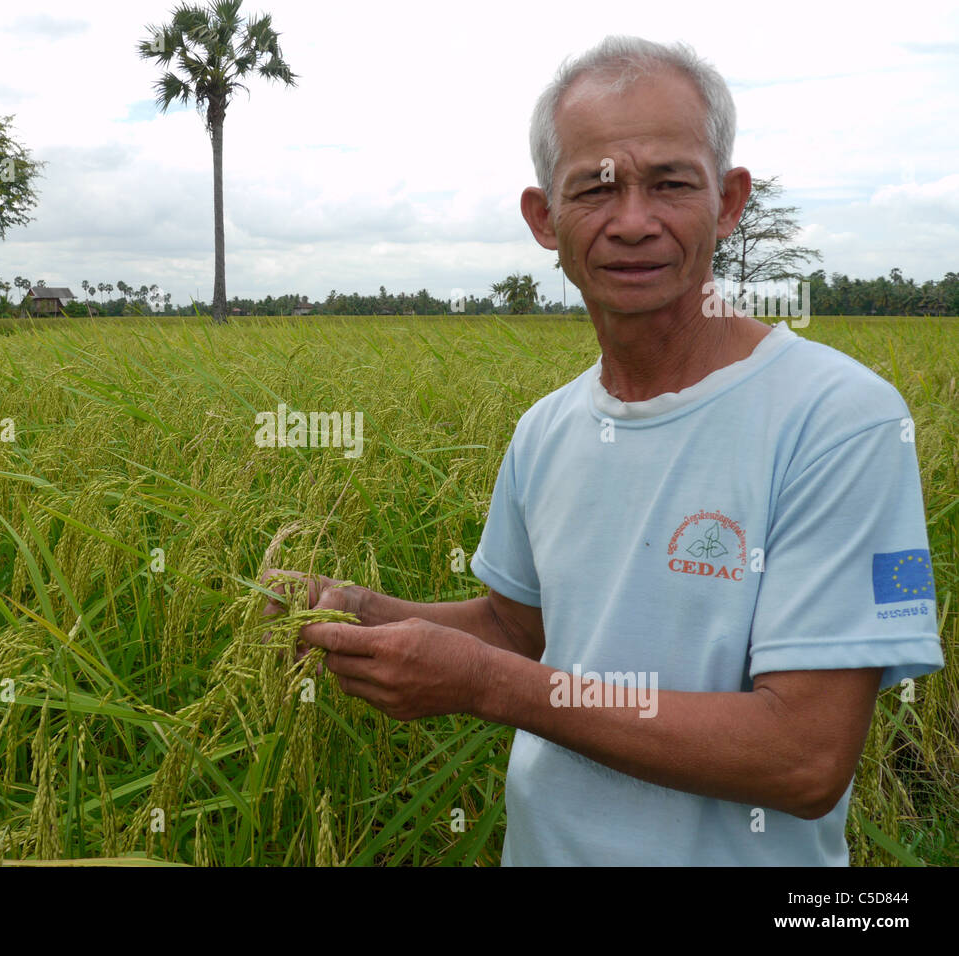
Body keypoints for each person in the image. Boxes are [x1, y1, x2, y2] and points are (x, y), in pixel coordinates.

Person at [264, 35, 944, 865]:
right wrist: (363, 612)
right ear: (544, 219)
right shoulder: (547, 429)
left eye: (670, 183)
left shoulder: (840, 421)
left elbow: (803, 757)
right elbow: (521, 632)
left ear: (728, 203)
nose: (633, 222)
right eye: (597, 188)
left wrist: (486, 688)